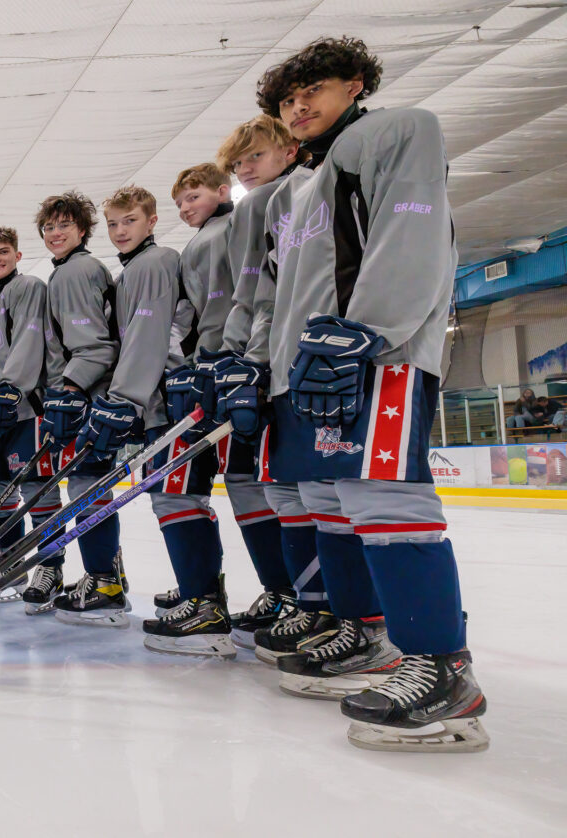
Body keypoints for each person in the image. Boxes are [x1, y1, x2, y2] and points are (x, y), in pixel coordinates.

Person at [256, 36, 486, 751]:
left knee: (387, 498)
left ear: (355, 84)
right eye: (288, 99)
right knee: (333, 500)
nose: (299, 104)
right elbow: (279, 290)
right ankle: (365, 634)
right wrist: (262, 363)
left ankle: (445, 672)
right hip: (309, 368)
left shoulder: (399, 130)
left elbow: (410, 234)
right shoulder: (295, 190)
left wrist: (365, 331)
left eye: (313, 89)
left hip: (373, 353)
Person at [144, 162, 287, 658]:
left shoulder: (233, 227)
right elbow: (193, 313)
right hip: (211, 368)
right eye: (180, 201)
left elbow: (243, 300)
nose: (186, 207)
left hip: (234, 368)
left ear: (224, 191)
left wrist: (235, 360)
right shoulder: (199, 241)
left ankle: (285, 597)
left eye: (194, 196)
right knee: (237, 485)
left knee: (251, 486)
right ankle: (274, 596)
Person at [215, 114, 331, 656]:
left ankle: (333, 610)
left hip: (302, 364)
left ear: (288, 150)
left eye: (254, 157)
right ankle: (305, 601)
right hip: (271, 363)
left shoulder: (301, 193)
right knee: (284, 489)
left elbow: (274, 295)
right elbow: (253, 293)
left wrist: (252, 356)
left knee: (318, 492)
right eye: (238, 165)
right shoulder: (261, 207)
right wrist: (233, 357)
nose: (245, 171)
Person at [67, 186, 180, 628]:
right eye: (113, 223)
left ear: (152, 221)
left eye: (129, 220)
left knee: (176, 499)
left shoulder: (153, 263)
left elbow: (145, 340)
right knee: (170, 499)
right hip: (150, 401)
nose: (119, 231)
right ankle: (198, 590)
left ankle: (204, 597)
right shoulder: (131, 270)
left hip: (162, 402)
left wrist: (123, 399)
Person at [30, 191, 120, 614]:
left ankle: (104, 583)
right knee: (88, 485)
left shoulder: (76, 271)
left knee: (87, 486)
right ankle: (108, 575)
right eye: (49, 227)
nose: (55, 233)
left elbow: (96, 346)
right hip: (86, 392)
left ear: (82, 230)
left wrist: (68, 390)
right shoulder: (69, 270)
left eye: (64, 225)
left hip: (86, 394)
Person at [0, 227, 53, 603]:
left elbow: (28, 340)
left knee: (37, 489)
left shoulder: (28, 287)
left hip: (23, 408)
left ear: (18, 256)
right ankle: (13, 565)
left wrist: (10, 388)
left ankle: (50, 567)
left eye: (4, 251)